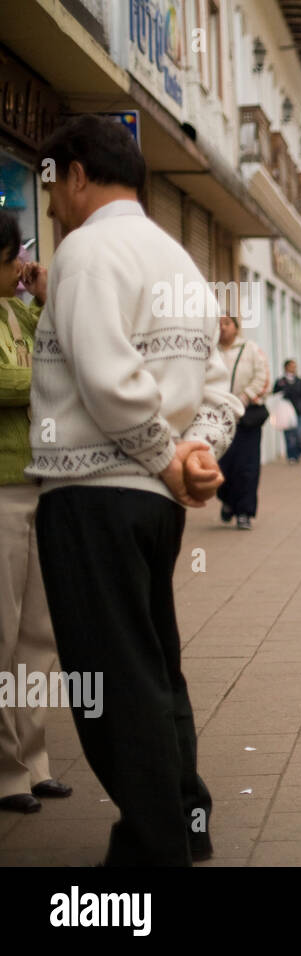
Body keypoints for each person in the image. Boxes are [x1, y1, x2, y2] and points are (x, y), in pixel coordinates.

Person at [26, 114, 241, 864]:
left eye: (52, 188)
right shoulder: (177, 260)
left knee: (108, 679)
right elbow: (220, 384)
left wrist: (164, 458)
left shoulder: (86, 251)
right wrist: (198, 457)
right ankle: (186, 818)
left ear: (78, 176)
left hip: (95, 492)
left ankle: (152, 849)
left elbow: (106, 380)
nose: (49, 206)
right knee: (152, 664)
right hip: (151, 501)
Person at [0, 213, 73, 814]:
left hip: (38, 483)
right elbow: (15, 380)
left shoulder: (17, 311)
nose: (19, 268)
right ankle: (5, 771)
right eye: (13, 259)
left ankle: (34, 758)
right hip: (0, 491)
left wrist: (44, 297)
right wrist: (46, 376)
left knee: (37, 634)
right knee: (2, 632)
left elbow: (57, 343)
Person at [216, 314, 270, 528]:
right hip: (218, 418)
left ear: (236, 328)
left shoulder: (251, 349)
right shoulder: (210, 351)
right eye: (218, 324)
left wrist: (244, 398)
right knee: (221, 467)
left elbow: (263, 377)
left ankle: (244, 512)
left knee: (246, 467)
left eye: (227, 323)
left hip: (247, 418)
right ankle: (227, 500)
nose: (222, 328)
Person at [273, 359, 301, 463]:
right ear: (286, 367)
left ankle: (298, 452)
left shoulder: (300, 381)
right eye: (291, 366)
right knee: (289, 435)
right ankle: (291, 456)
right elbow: (274, 394)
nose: (293, 368)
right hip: (286, 412)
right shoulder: (280, 381)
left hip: (299, 411)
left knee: (299, 434)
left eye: (294, 366)